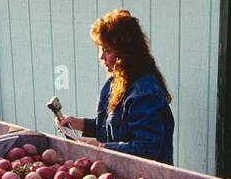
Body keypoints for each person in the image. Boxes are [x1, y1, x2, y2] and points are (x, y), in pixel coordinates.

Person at [59, 9, 175, 164]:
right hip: (117, 176)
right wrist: (78, 123)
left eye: (107, 51)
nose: (101, 57)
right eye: (100, 49)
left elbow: (146, 150)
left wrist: (101, 148)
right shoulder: (115, 82)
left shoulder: (145, 93)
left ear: (126, 54)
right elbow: (111, 127)